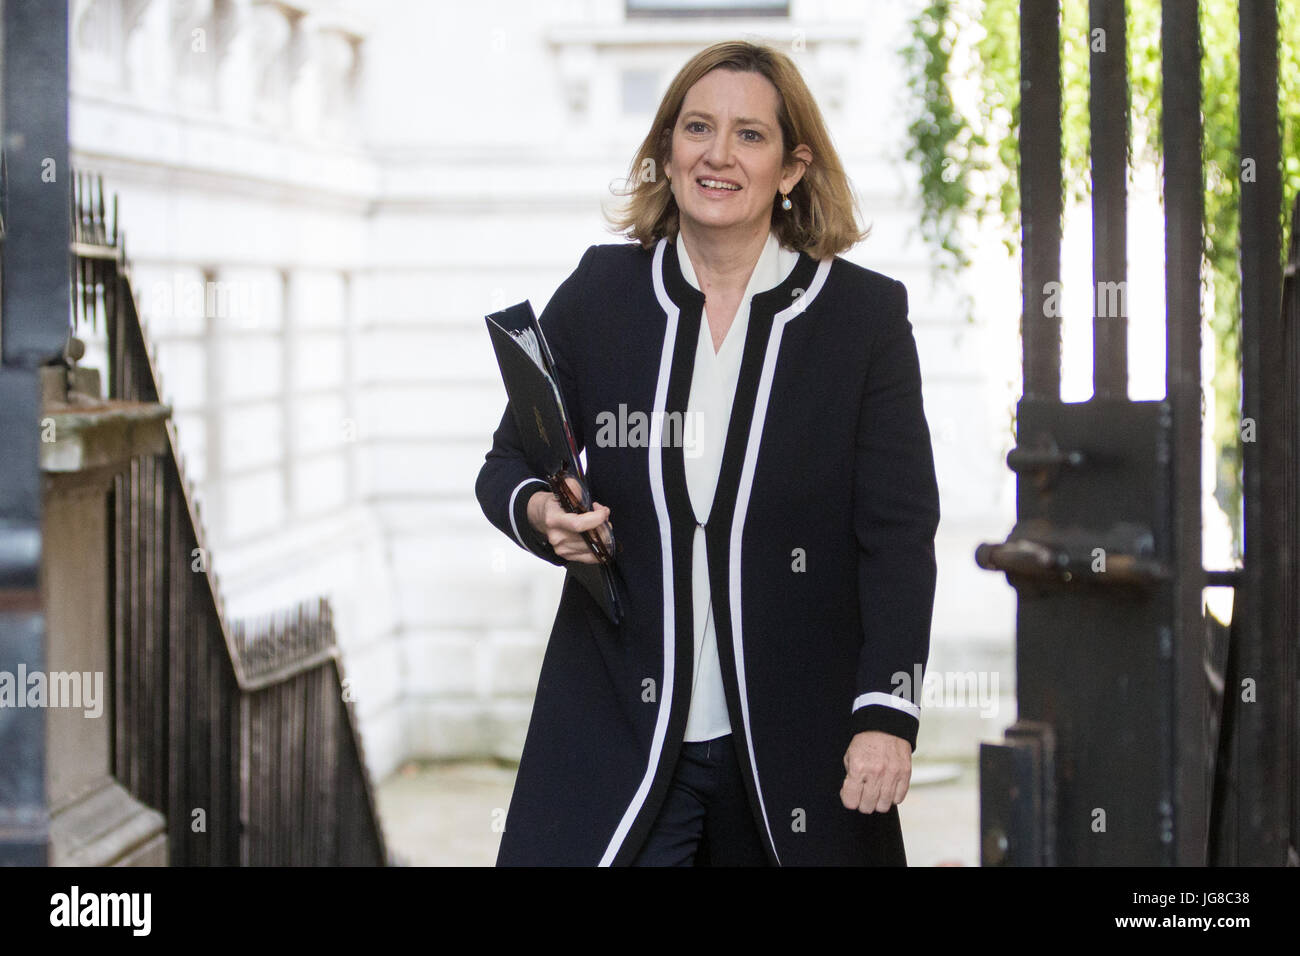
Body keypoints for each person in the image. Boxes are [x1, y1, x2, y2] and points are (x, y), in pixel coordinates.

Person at [475, 40, 939, 866]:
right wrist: (544, 513)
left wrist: (885, 715)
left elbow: (898, 537)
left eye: (749, 135)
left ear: (792, 168)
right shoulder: (602, 293)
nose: (718, 154)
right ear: (667, 151)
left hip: (799, 743)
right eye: (697, 128)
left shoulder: (862, 320)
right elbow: (507, 463)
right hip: (617, 735)